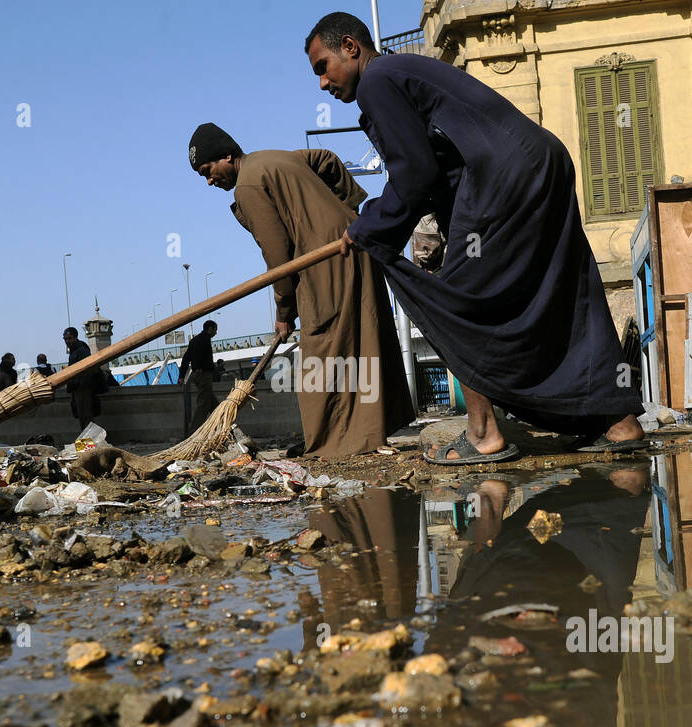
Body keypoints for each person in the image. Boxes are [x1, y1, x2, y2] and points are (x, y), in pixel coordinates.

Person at [304, 13, 645, 463]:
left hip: (503, 178)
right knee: (568, 290)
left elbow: (415, 174)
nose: (323, 84)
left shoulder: (378, 80)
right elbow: (435, 174)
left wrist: (367, 227)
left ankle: (483, 432)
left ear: (350, 46)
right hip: (541, 161)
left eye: (322, 67)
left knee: (455, 301)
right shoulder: (400, 72)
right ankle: (619, 422)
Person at [189, 121, 414, 457]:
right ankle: (368, 434)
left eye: (209, 170)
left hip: (326, 263)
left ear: (227, 155)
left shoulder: (247, 186)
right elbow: (327, 160)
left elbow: (277, 254)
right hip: (353, 246)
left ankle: (336, 442)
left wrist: (284, 312)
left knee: (323, 353)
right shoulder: (276, 158)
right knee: (362, 341)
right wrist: (352, 211)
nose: (209, 180)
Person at [179, 320, 219, 433]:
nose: (216, 333)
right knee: (203, 403)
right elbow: (201, 357)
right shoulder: (205, 339)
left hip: (198, 374)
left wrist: (181, 375)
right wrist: (202, 368)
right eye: (215, 330)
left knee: (213, 404)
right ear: (210, 328)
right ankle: (194, 432)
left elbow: (186, 358)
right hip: (203, 375)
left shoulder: (194, 340)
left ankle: (224, 425)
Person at [63, 326, 100, 429]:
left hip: (83, 388)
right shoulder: (76, 350)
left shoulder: (81, 350)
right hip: (79, 388)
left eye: (69, 338)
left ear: (75, 338)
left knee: (86, 416)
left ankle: (89, 443)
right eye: (65, 339)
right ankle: (88, 443)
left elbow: (87, 371)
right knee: (82, 416)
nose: (67, 341)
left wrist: (79, 384)